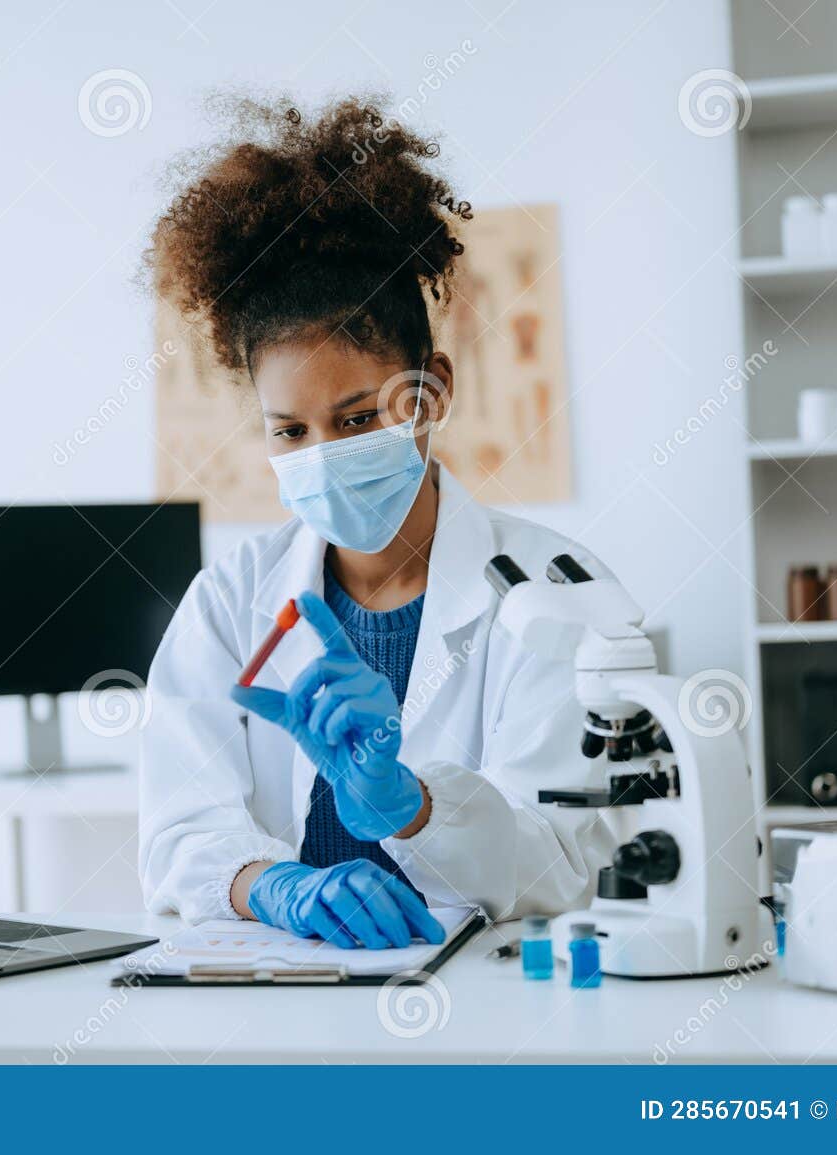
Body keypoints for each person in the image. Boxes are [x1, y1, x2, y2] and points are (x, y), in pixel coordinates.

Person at [138, 95, 615, 949]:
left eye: (358, 419)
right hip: (285, 998)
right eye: (291, 430)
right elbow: (179, 834)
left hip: (481, 1004)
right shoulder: (231, 602)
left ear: (429, 389)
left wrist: (415, 805)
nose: (321, 452)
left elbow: (567, 862)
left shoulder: (558, 595)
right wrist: (271, 885)